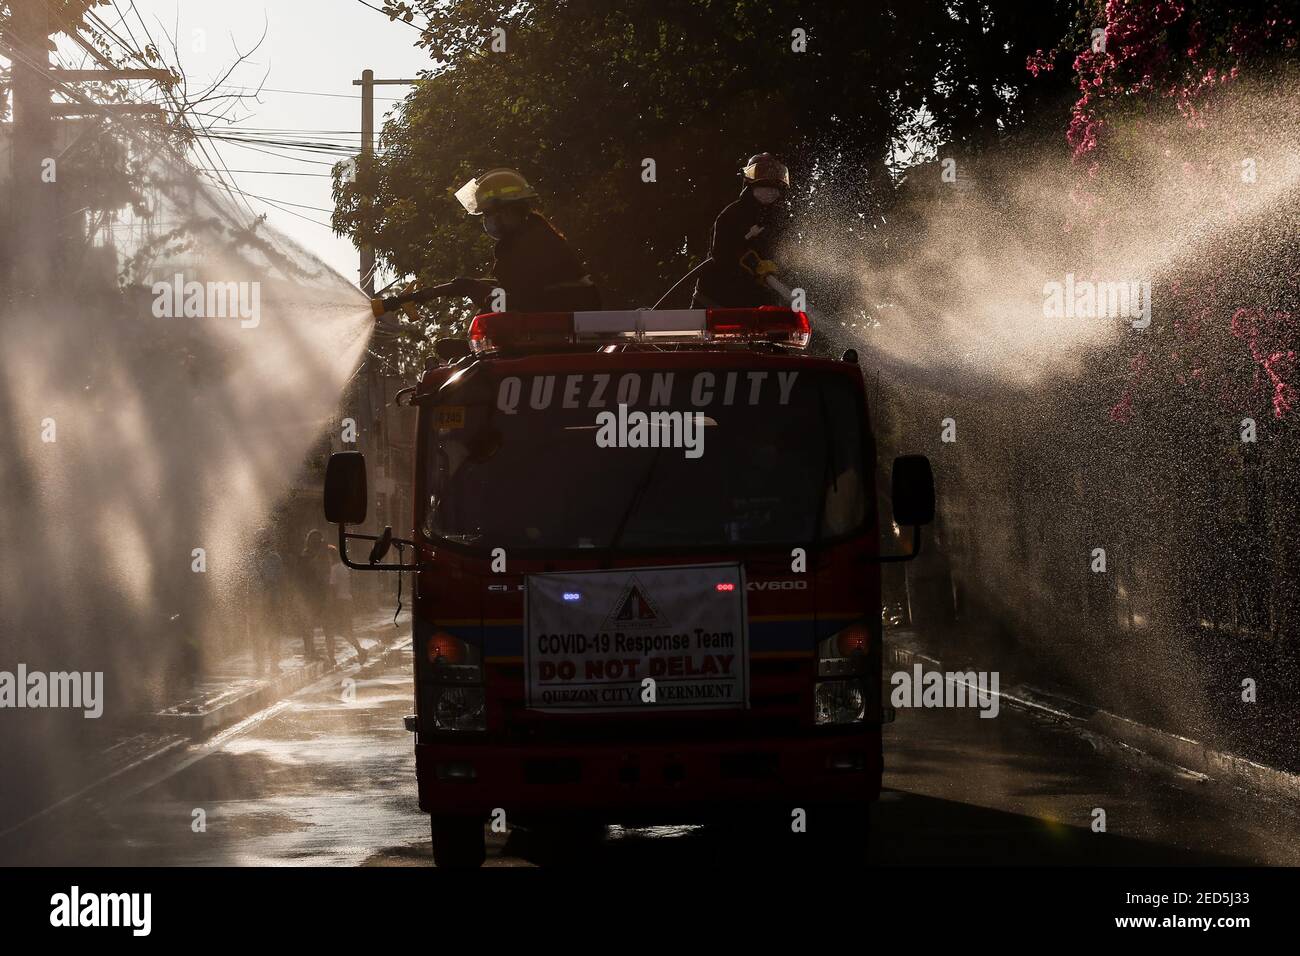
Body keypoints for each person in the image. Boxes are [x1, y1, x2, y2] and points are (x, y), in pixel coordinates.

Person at [372, 167, 601, 317]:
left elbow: (510, 302)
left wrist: (471, 288)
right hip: (555, 314)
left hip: (553, 318)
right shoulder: (534, 234)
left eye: (490, 214)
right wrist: (463, 286)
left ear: (509, 211)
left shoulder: (528, 243)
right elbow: (517, 289)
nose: (488, 221)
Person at [691, 153, 791, 309]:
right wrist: (751, 264)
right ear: (749, 185)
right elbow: (721, 254)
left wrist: (777, 268)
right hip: (715, 300)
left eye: (775, 188)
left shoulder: (779, 220)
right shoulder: (732, 214)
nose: (771, 191)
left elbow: (785, 253)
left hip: (755, 303)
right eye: (765, 186)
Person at [325, 545, 367, 665]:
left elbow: (333, 588)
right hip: (347, 600)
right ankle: (360, 651)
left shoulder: (334, 569)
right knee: (346, 630)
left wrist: (330, 606)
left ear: (330, 556)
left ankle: (333, 658)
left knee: (335, 630)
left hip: (339, 603)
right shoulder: (344, 567)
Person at [295, 529, 331, 660]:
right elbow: (308, 571)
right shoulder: (305, 555)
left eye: (318, 541)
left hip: (319, 595)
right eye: (314, 541)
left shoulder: (321, 556)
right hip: (307, 596)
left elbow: (325, 573)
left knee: (316, 624)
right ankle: (309, 651)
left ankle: (313, 651)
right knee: (308, 625)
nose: (317, 544)